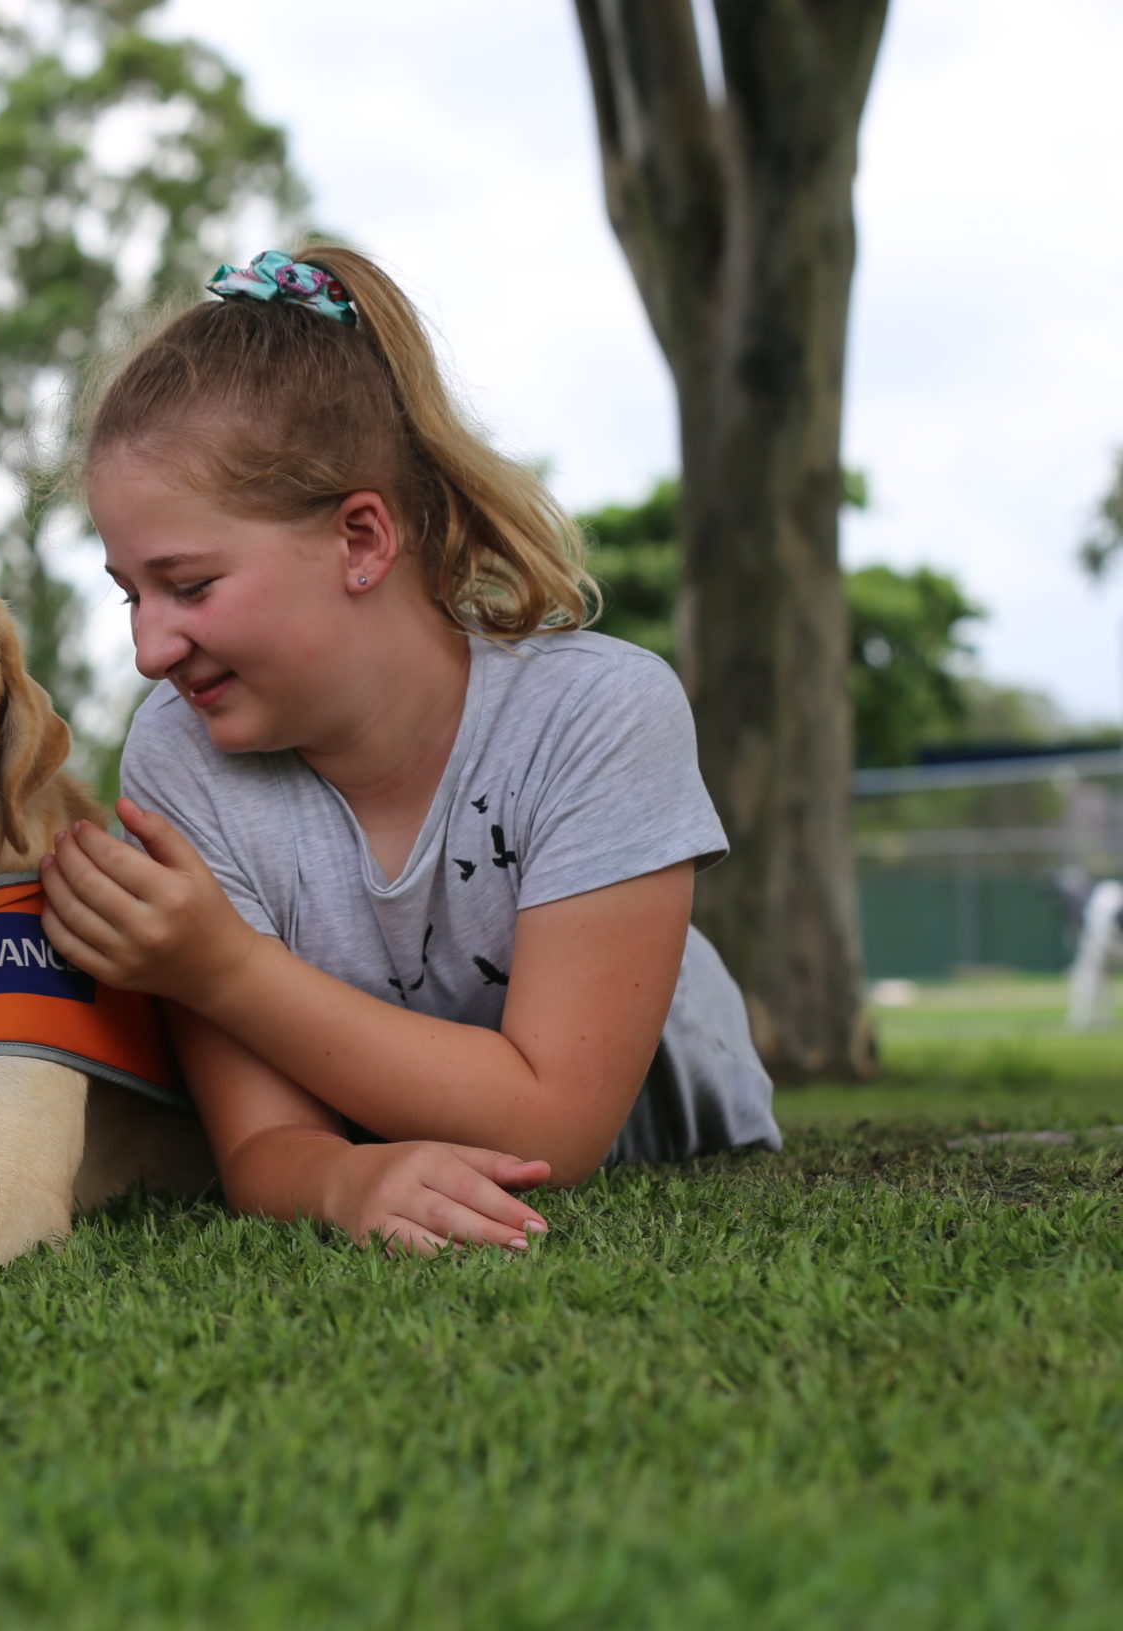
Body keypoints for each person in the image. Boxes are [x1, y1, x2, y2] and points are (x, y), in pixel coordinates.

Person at [38, 245, 778, 1257]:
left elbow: (556, 1126)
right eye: (132, 594)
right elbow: (263, 1147)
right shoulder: (182, 752)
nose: (149, 649)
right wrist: (344, 1176)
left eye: (190, 586)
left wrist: (218, 969)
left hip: (674, 1156)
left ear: (360, 541)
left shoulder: (602, 712)